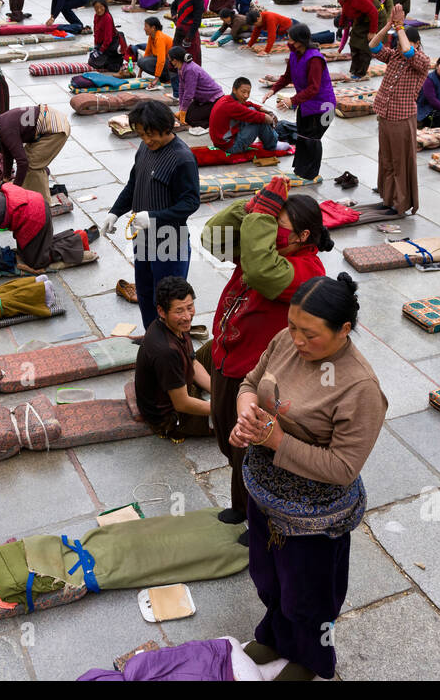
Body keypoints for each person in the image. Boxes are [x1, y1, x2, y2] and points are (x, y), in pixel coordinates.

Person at [232, 271, 387, 681]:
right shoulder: (286, 342)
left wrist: (276, 439)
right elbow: (250, 382)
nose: (298, 341)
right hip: (266, 491)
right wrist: (246, 412)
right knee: (267, 576)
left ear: (344, 330)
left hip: (314, 514)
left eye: (311, 334)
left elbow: (342, 468)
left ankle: (312, 660)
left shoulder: (360, 387)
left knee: (309, 595)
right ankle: (276, 635)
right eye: (293, 327)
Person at [201, 183, 330, 540]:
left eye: (278, 224)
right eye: (270, 223)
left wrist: (259, 217)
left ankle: (263, 522)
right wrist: (253, 206)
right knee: (230, 440)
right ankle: (241, 505)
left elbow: (258, 272)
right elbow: (215, 239)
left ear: (303, 235)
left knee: (254, 449)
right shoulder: (266, 245)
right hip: (229, 359)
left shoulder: (307, 269)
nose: (270, 230)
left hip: (258, 377)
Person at [103, 100, 200, 329]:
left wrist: (154, 217)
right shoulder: (145, 149)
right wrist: (115, 212)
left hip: (170, 240)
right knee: (146, 294)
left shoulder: (182, 158)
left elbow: (190, 202)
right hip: (143, 238)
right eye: (141, 135)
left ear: (166, 126)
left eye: (151, 134)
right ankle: (153, 339)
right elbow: (134, 184)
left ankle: (173, 347)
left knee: (168, 301)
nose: (147, 140)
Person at [133, 277, 212, 440]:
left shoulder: (175, 325)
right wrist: (223, 408)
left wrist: (216, 391)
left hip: (180, 381)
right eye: (179, 311)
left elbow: (193, 362)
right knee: (239, 424)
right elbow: (182, 403)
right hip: (172, 416)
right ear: (162, 311)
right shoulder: (166, 351)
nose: (187, 316)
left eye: (190, 307)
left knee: (216, 346)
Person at [372, 5, 429, 217]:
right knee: (386, 159)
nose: (399, 45)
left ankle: (400, 203)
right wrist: (389, 25)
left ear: (417, 44)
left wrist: (400, 27)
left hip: (402, 118)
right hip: (385, 114)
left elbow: (408, 50)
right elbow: (373, 45)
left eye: (403, 40)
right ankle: (387, 199)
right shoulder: (395, 55)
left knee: (400, 162)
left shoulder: (421, 60)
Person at [263, 24, 335, 181]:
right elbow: (287, 76)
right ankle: (300, 170)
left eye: (290, 39)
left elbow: (314, 88)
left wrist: (292, 100)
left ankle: (311, 174)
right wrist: (273, 90)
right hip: (307, 104)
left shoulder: (315, 59)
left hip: (324, 107)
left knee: (313, 138)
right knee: (302, 135)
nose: (288, 41)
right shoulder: (295, 54)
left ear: (300, 40)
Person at [0, 105, 70, 203]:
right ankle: (31, 196)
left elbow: (23, 162)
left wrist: (15, 187)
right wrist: (6, 178)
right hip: (52, 120)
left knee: (33, 164)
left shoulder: (6, 130)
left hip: (56, 128)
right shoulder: (0, 124)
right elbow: (8, 153)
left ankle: (43, 205)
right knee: (29, 160)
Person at [209, 77, 280, 154]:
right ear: (234, 90)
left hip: (222, 142)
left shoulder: (227, 98)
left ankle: (270, 137)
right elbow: (264, 118)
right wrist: (272, 119)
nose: (246, 95)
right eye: (243, 92)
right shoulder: (232, 106)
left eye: (248, 92)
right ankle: (272, 145)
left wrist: (268, 111)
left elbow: (249, 104)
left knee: (252, 109)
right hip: (230, 147)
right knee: (259, 121)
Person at [334, 0, 379, 79]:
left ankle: (361, 73)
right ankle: (354, 70)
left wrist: (372, 32)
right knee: (353, 42)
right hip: (360, 17)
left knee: (363, 45)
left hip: (373, 17)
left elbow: (374, 13)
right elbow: (345, 11)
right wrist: (342, 25)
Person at [170, 47, 222, 129]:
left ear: (175, 60)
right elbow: (181, 88)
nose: (171, 62)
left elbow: (189, 93)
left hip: (213, 99)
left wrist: (183, 111)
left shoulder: (190, 69)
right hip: (201, 100)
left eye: (171, 60)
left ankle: (213, 121)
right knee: (187, 115)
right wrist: (181, 108)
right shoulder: (180, 68)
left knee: (190, 119)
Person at [171, 0, 205, 66]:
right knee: (175, 58)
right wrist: (174, 17)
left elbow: (197, 21)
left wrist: (188, 38)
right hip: (179, 31)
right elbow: (173, 6)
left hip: (190, 34)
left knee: (190, 61)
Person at [88, 0, 131, 74]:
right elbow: (96, 32)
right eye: (96, 8)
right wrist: (96, 47)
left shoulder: (107, 17)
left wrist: (101, 50)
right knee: (91, 60)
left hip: (111, 46)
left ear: (105, 6)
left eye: (101, 7)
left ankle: (114, 62)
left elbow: (108, 39)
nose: (99, 10)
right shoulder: (96, 16)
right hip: (102, 45)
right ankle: (108, 62)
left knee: (99, 63)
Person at [134, 16, 173, 85]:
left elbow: (161, 60)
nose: (144, 29)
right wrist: (140, 73)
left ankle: (167, 77)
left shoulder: (160, 38)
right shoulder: (151, 36)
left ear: (153, 28)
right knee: (141, 61)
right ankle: (163, 76)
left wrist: (156, 78)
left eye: (146, 26)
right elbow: (147, 53)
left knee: (146, 62)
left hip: (171, 63)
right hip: (164, 61)